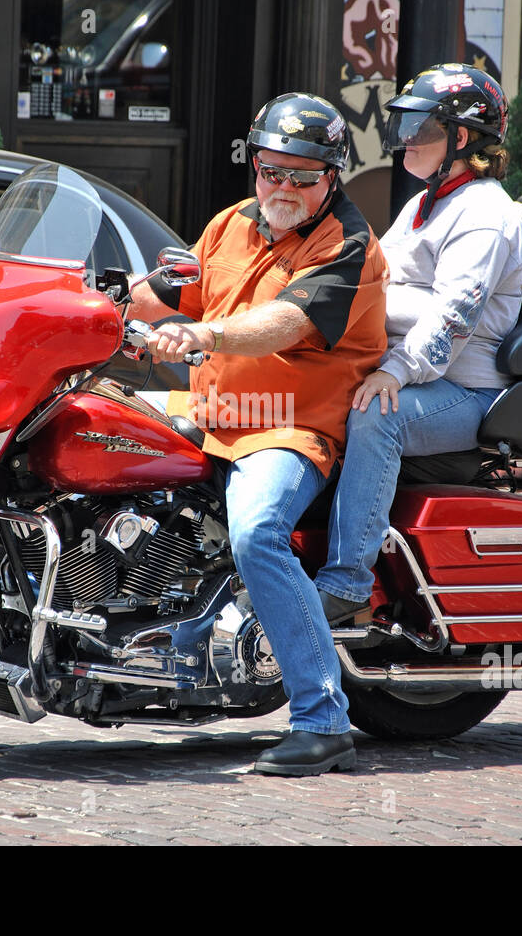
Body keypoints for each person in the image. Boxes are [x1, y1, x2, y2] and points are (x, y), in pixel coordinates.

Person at [127, 92, 388, 776]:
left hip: (288, 429)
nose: (284, 187)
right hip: (211, 412)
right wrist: (89, 300)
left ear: (332, 175)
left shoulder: (349, 244)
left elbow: (283, 322)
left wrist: (203, 333)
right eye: (272, 170)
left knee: (257, 530)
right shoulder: (232, 225)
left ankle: (322, 717)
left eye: (303, 176)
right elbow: (163, 290)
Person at [314, 63, 522, 624]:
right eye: (404, 127)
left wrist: (394, 371)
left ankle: (346, 584)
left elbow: (452, 318)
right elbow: (373, 275)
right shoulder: (425, 202)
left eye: (421, 129)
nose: (405, 141)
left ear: (461, 140)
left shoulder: (483, 214)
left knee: (375, 415)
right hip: (413, 367)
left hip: (463, 386)